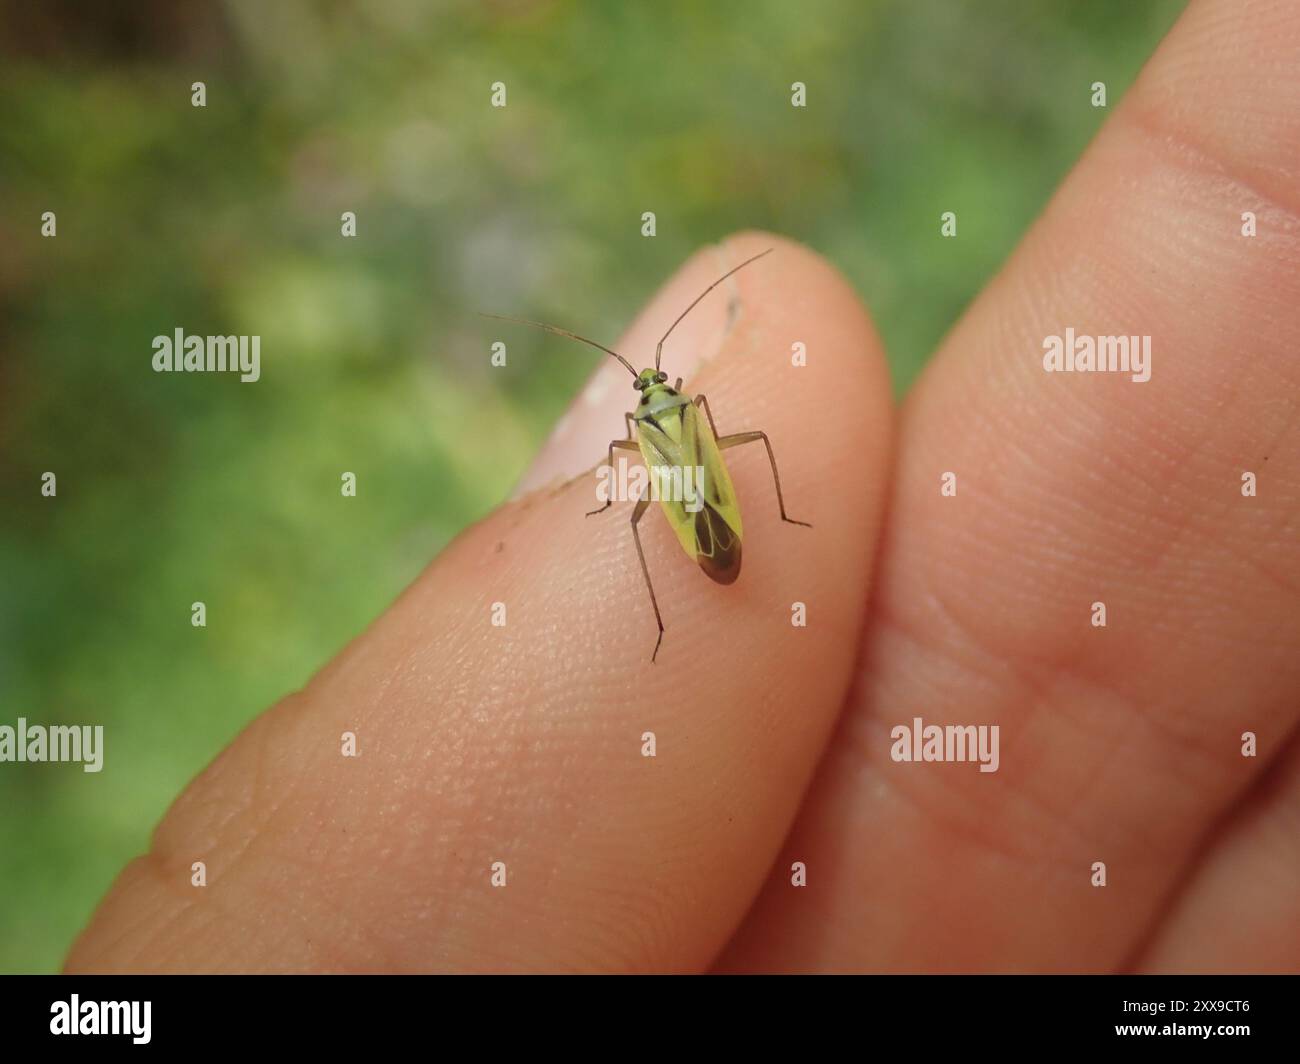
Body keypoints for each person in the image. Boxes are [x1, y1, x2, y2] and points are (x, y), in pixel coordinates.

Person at [66, 0, 1300, 973]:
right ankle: (682, 580)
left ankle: (691, 573)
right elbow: (666, 451)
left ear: (659, 405)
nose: (659, 409)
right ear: (659, 412)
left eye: (655, 400)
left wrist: (633, 474)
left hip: (701, 524)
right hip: (704, 517)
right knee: (702, 488)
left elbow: (659, 461)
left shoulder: (672, 431)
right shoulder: (683, 427)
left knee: (688, 497)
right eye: (652, 406)